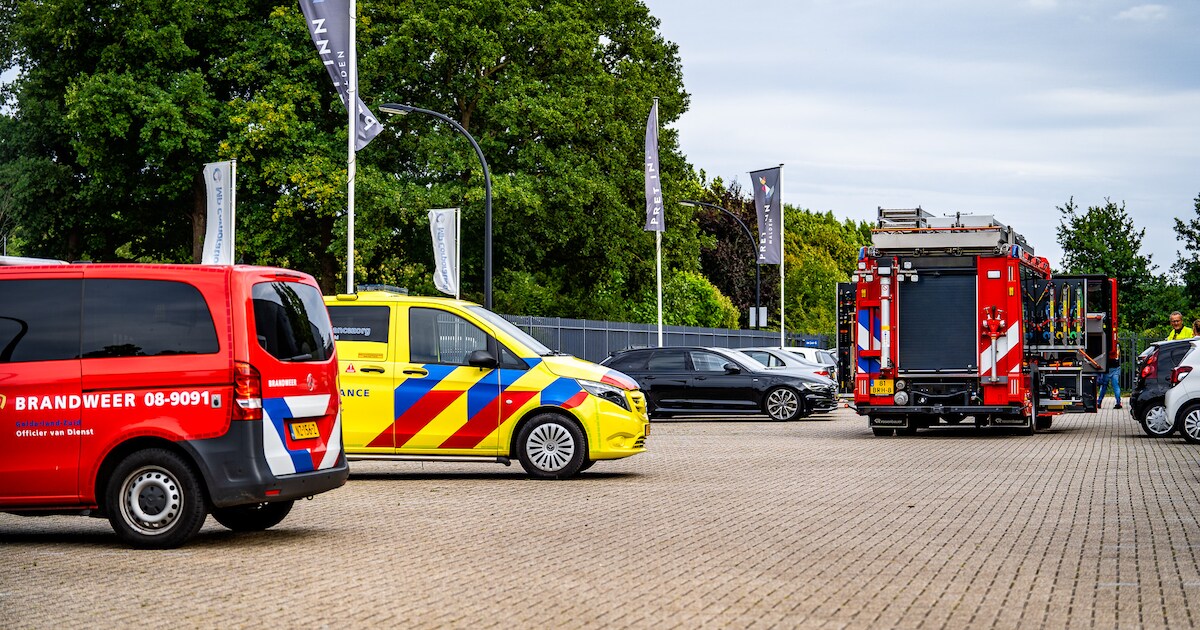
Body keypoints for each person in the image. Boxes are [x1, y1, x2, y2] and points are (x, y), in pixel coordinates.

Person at [1096, 344, 1122, 409]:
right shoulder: (1117, 345)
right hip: (1116, 367)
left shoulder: (1106, 344)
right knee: (1116, 386)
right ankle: (1118, 402)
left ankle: (1099, 402)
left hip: (1107, 368)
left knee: (1104, 386)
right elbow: (1118, 355)